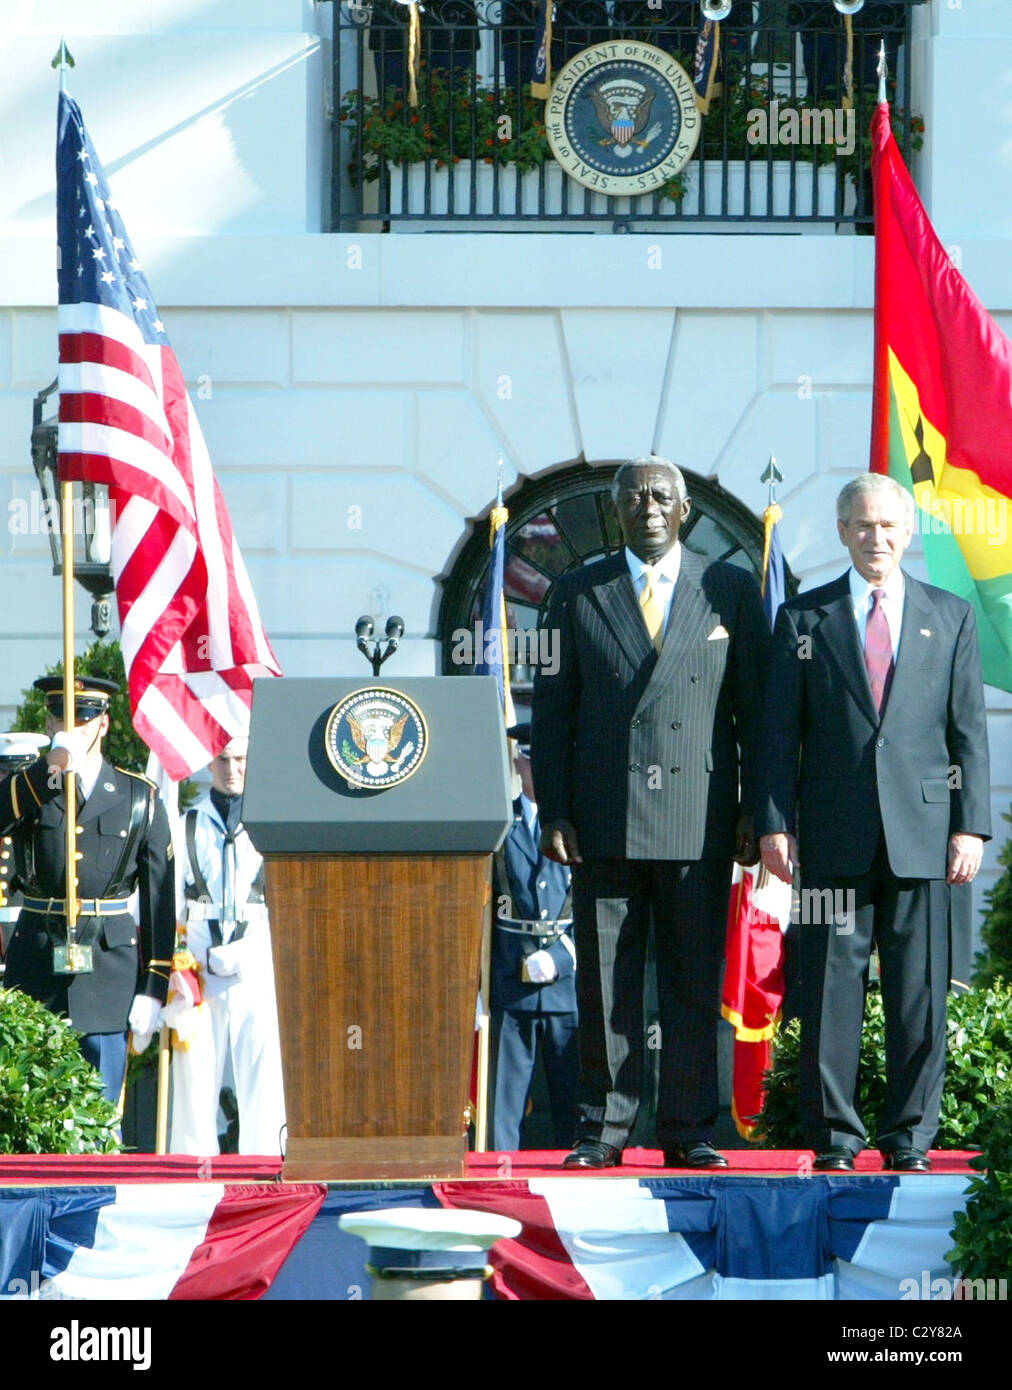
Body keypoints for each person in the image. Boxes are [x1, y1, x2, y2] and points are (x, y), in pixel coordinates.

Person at [530, 456, 770, 1169]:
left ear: (685, 509)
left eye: (662, 496)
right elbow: (552, 716)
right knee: (606, 983)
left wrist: (756, 809)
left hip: (699, 819)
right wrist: (555, 812)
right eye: (634, 497)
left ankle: (689, 1128)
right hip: (603, 822)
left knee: (693, 981)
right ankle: (604, 1128)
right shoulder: (577, 591)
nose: (649, 507)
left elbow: (755, 715)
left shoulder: (728, 589)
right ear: (616, 509)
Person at [757, 473, 990, 1173]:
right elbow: (777, 732)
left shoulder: (948, 616)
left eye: (889, 526)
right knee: (830, 990)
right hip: (830, 837)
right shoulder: (803, 620)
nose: (876, 537)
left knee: (919, 989)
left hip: (925, 837)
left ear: (908, 532)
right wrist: (773, 822)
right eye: (862, 525)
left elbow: (967, 732)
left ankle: (909, 1137)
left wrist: (971, 826)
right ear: (842, 531)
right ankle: (835, 1137)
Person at [0, 677, 175, 1102]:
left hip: (107, 976)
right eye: (62, 715)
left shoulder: (139, 796)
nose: (73, 725)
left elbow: (159, 900)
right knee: (33, 1118)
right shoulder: (32, 787)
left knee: (98, 1120)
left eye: (85, 716)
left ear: (104, 724)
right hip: (37, 969)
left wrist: (153, 987)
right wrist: (54, 764)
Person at [169, 736, 285, 1155]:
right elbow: (173, 904)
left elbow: (284, 899)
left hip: (254, 958)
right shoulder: (187, 824)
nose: (231, 769)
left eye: (239, 759)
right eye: (222, 760)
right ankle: (190, 1166)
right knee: (194, 1072)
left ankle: (265, 1161)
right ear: (209, 764)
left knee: (262, 1070)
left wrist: (253, 949)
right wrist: (175, 966)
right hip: (199, 964)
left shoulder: (270, 823)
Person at [491, 722, 578, 1152]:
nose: (542, 771)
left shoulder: (584, 825)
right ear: (518, 761)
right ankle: (496, 1185)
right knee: (502, 1112)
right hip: (511, 981)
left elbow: (600, 906)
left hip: (568, 989)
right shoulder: (498, 825)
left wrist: (562, 957)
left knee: (575, 1110)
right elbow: (484, 907)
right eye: (534, 761)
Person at [0, 733, 50, 965]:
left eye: (21, 777)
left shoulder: (47, 822)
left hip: (32, 927)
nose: (12, 784)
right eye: (4, 774)